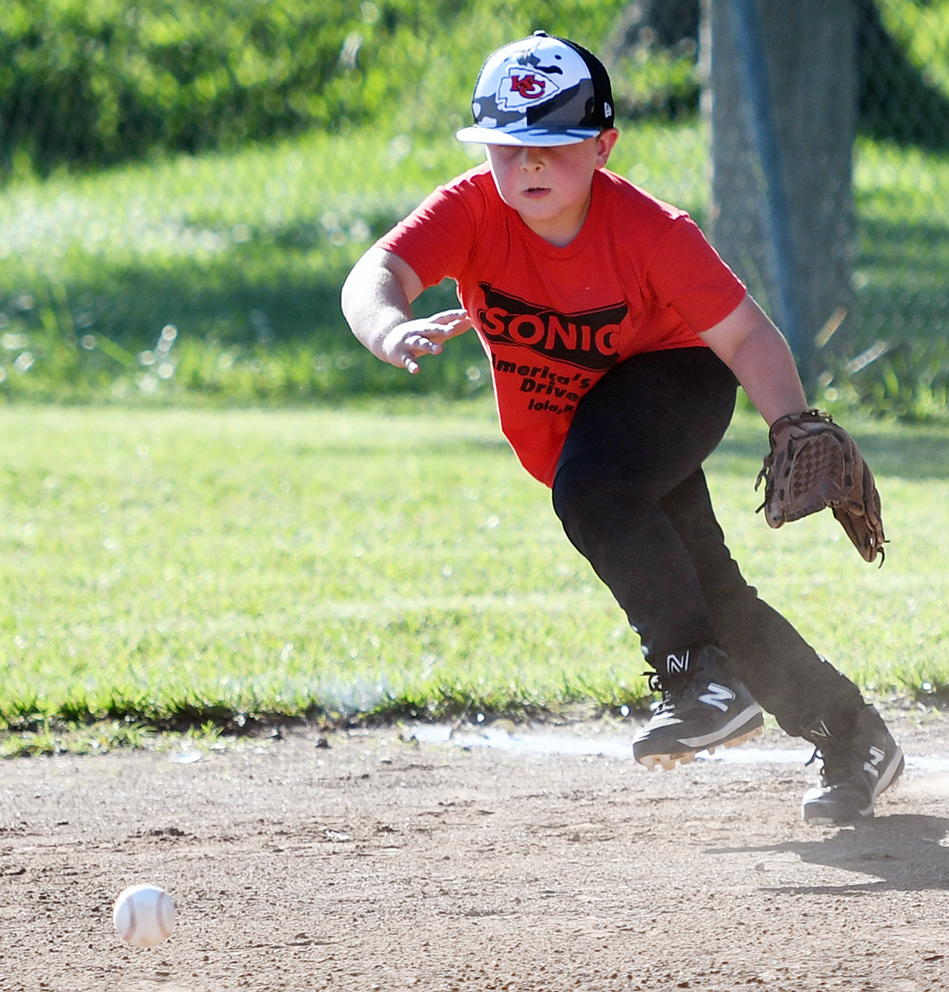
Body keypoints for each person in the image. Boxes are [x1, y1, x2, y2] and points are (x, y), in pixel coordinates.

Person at [341, 32, 903, 823]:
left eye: (554, 145)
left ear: (603, 146)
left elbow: (745, 335)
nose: (529, 164)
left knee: (594, 488)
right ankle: (854, 739)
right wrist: (388, 326)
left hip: (676, 382)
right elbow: (376, 274)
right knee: (708, 590)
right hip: (591, 430)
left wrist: (792, 425)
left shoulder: (650, 231)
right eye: (508, 146)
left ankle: (692, 677)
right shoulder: (471, 210)